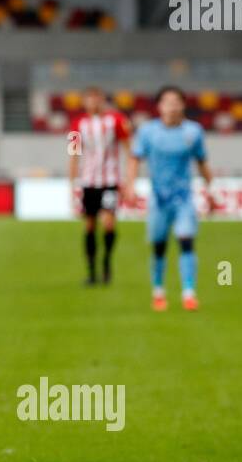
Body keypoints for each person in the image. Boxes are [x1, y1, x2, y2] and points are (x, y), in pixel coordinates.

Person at [124, 86, 214, 311]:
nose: (172, 106)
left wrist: (211, 189)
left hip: (183, 198)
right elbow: (135, 158)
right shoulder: (148, 132)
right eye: (167, 102)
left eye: (176, 102)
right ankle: (158, 291)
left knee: (186, 241)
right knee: (159, 247)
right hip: (158, 198)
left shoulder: (193, 131)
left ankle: (189, 293)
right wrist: (130, 185)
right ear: (160, 106)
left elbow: (202, 162)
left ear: (183, 105)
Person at [68, 87, 131, 285]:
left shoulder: (116, 121)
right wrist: (72, 185)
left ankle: (107, 263)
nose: (93, 103)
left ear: (102, 100)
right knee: (89, 225)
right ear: (84, 102)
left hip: (110, 182)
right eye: (89, 99)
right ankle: (92, 270)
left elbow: (129, 150)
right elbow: (73, 155)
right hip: (88, 182)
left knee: (109, 222)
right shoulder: (78, 124)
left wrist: (129, 181)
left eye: (96, 99)